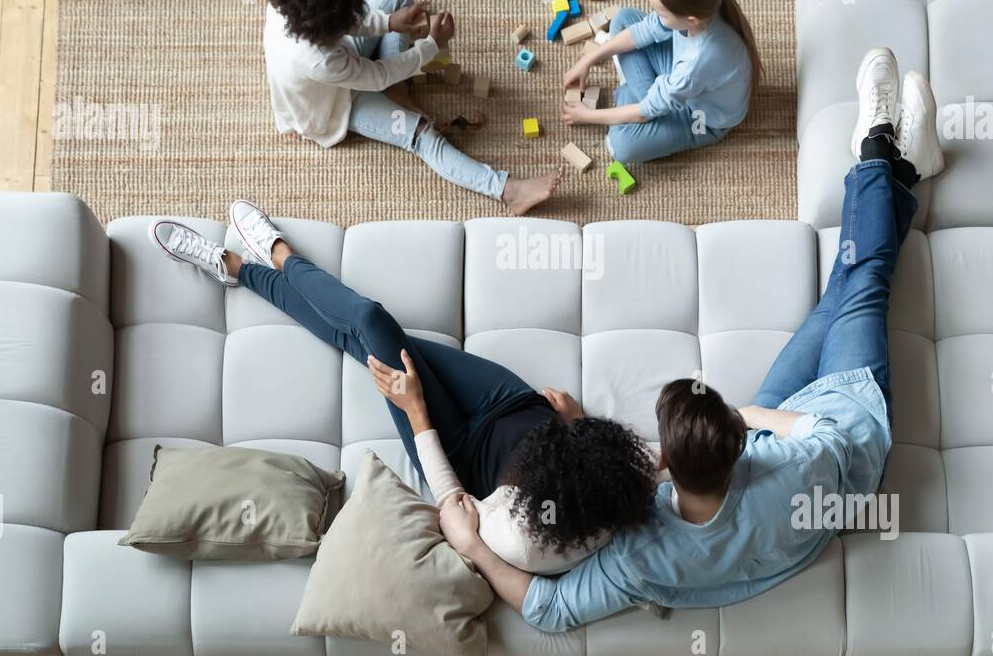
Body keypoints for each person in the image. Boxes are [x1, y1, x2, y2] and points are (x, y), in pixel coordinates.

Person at [444, 47, 943, 630]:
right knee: (860, 283)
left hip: (762, 446)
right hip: (845, 428)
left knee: (841, 292)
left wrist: (472, 544)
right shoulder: (796, 469)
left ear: (663, 463)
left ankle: (901, 164)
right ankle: (878, 147)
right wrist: (755, 415)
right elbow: (830, 436)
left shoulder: (639, 551)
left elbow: (550, 610)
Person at [146, 200, 657, 574]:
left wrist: (416, 410)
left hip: (454, 447)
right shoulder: (628, 479)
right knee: (367, 334)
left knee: (368, 323)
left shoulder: (526, 540)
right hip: (508, 401)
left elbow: (454, 508)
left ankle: (263, 261)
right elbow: (654, 456)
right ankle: (259, 265)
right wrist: (576, 424)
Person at [259, 0, 562, 214]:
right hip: (337, 106)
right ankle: (508, 191)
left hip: (338, 53)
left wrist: (389, 22)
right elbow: (377, 75)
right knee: (421, 133)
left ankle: (398, 92)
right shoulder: (319, 60)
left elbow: (346, 18)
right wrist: (431, 45)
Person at [559, 0, 762, 164]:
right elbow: (644, 29)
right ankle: (650, 94)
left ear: (690, 19)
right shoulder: (706, 7)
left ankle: (643, 95)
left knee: (621, 147)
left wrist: (586, 115)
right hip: (683, 74)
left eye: (661, 14)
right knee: (624, 18)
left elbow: (643, 113)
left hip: (701, 118)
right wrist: (588, 59)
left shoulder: (695, 64)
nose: (656, 16)